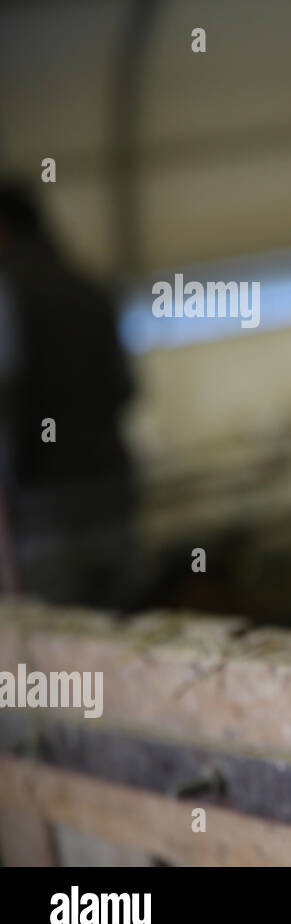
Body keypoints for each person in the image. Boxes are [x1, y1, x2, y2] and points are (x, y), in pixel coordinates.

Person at [0, 179, 138, 607]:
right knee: (119, 628)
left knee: (54, 637)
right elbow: (125, 389)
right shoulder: (90, 287)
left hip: (42, 503)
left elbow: (9, 404)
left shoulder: (9, 294)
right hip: (112, 485)